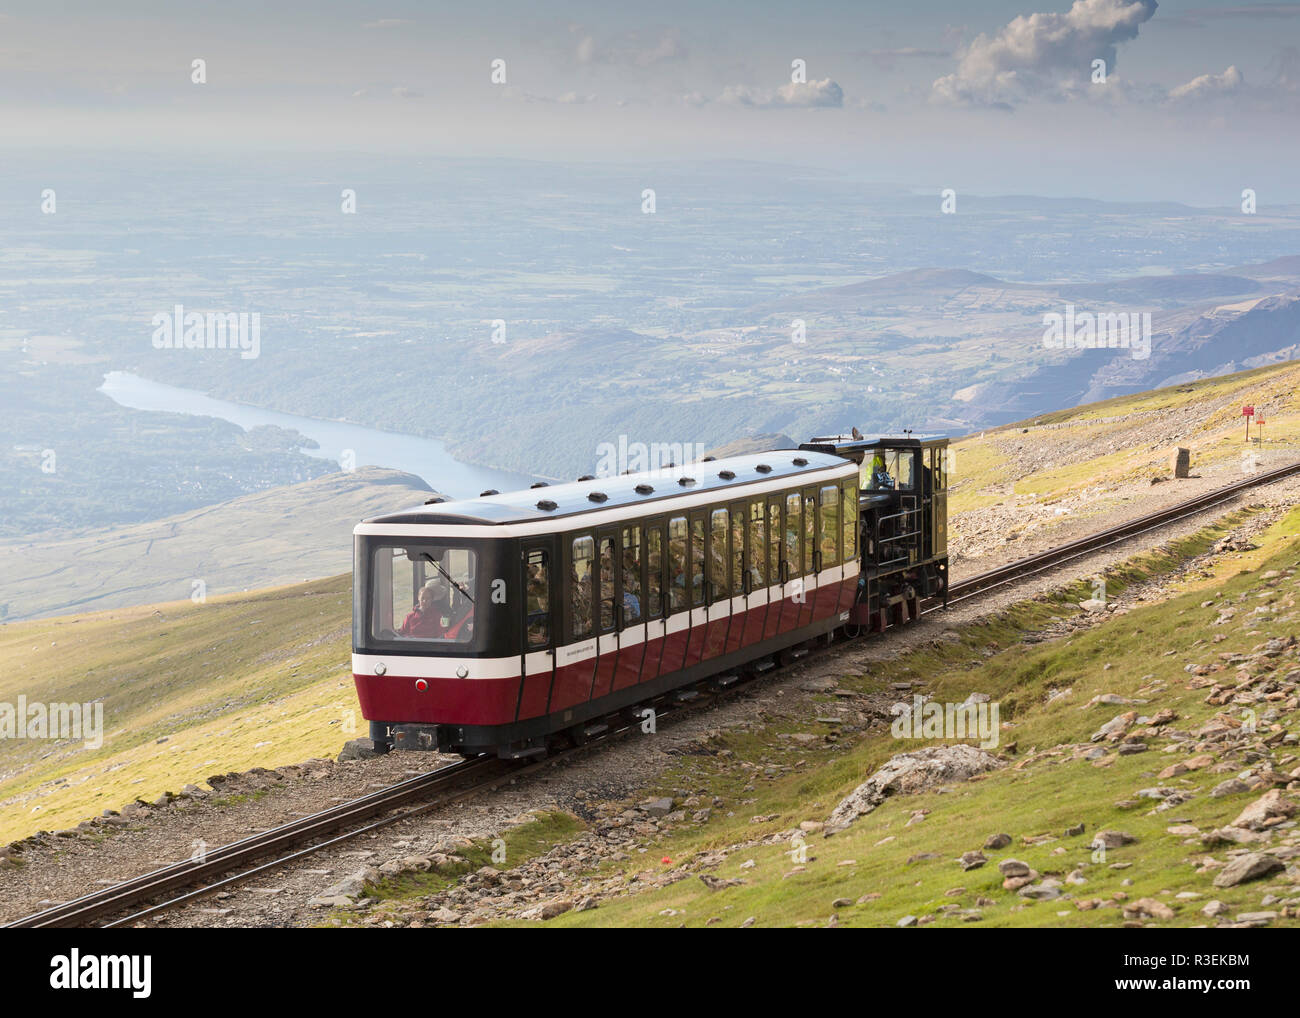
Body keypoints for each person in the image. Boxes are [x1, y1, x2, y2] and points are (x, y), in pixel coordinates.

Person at [399, 575, 473, 641]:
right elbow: (402, 634)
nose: (425, 601)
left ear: (431, 599)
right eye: (423, 598)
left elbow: (440, 636)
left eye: (428, 598)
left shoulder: (437, 615)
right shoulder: (409, 616)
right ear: (418, 598)